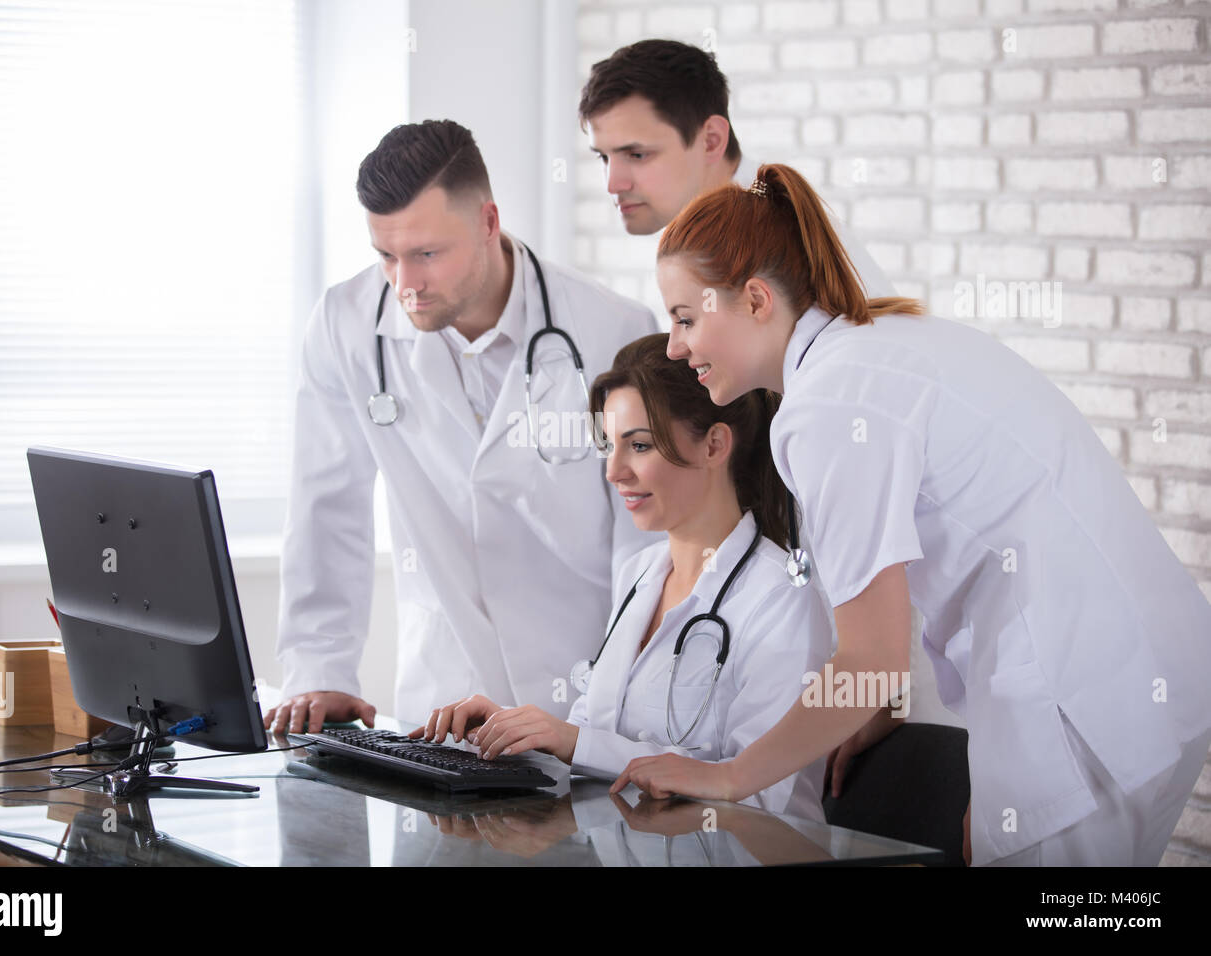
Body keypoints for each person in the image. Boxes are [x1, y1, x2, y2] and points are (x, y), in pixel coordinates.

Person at [611, 162, 1211, 866]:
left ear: (753, 299)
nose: (677, 347)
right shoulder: (890, 343)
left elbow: (871, 651)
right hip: (1146, 671)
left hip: (1075, 703)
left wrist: (728, 777)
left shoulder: (826, 406)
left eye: (685, 319)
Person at [264, 120, 658, 734]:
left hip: (580, 694)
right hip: (441, 697)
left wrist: (611, 712)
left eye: (426, 254)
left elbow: (649, 541)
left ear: (488, 223)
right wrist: (320, 667)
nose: (406, 284)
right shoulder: (345, 324)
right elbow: (326, 506)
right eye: (386, 255)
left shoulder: (612, 329)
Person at [412, 334, 836, 822]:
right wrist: (516, 737)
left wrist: (576, 742)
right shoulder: (641, 575)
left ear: (716, 444)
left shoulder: (780, 597)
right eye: (609, 446)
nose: (614, 471)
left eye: (639, 445)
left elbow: (761, 796)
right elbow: (592, 738)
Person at [578, 38, 893, 298]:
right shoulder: (706, 236)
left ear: (711, 141)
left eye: (635, 154)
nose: (612, 184)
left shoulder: (773, 244)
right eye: (603, 157)